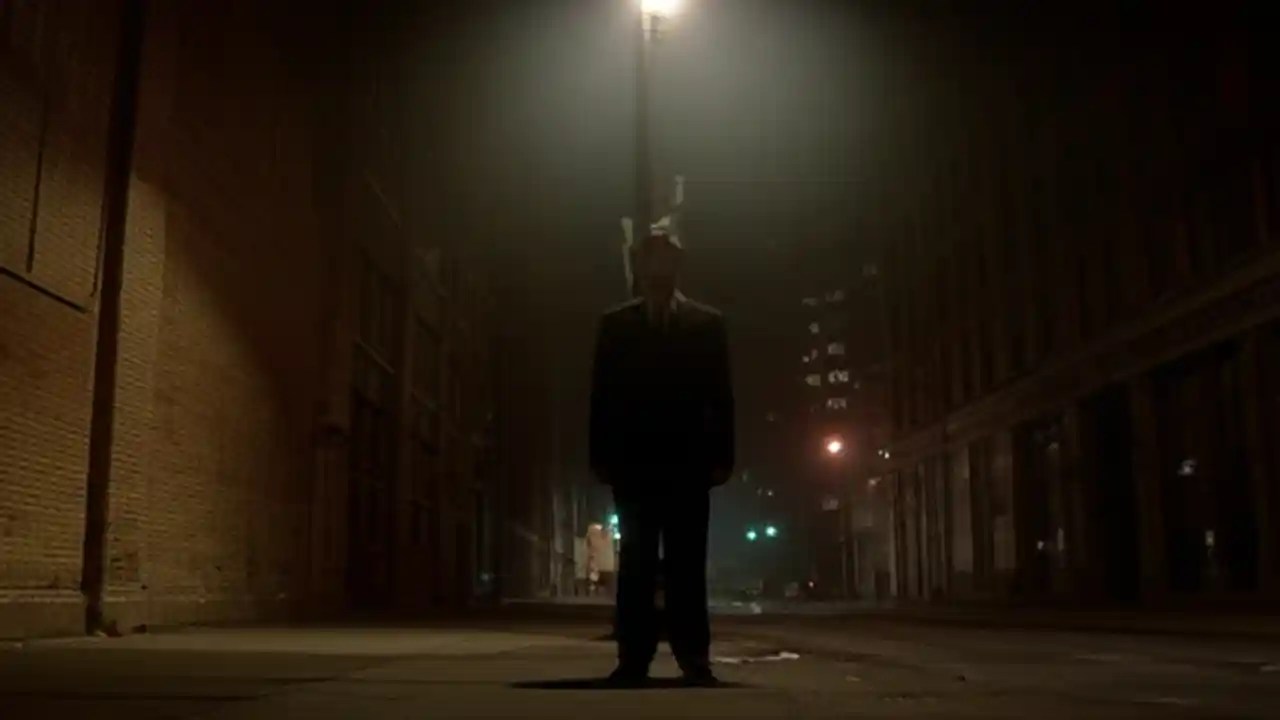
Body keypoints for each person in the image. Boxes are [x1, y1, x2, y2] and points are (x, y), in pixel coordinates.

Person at [589, 228, 735, 687]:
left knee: (687, 563)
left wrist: (723, 457)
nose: (658, 270)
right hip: (634, 463)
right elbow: (602, 397)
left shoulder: (707, 324)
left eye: (666, 260)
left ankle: (694, 657)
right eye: (650, 261)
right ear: (639, 267)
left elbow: (722, 397)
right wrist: (601, 455)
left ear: (677, 265)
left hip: (688, 462)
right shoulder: (615, 325)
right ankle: (634, 657)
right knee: (636, 563)